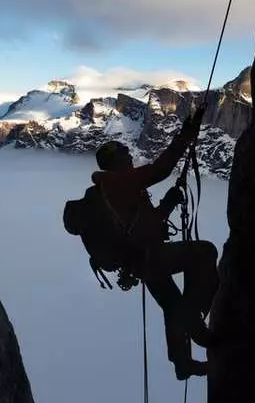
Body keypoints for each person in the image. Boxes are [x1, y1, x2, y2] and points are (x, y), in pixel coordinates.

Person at [92, 109, 219, 380]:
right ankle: (194, 322)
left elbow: (141, 225)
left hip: (139, 261)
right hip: (151, 258)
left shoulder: (111, 188)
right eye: (125, 153)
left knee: (172, 307)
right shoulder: (121, 181)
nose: (130, 155)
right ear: (116, 161)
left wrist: (167, 205)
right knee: (205, 252)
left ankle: (183, 362)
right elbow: (162, 168)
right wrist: (186, 135)